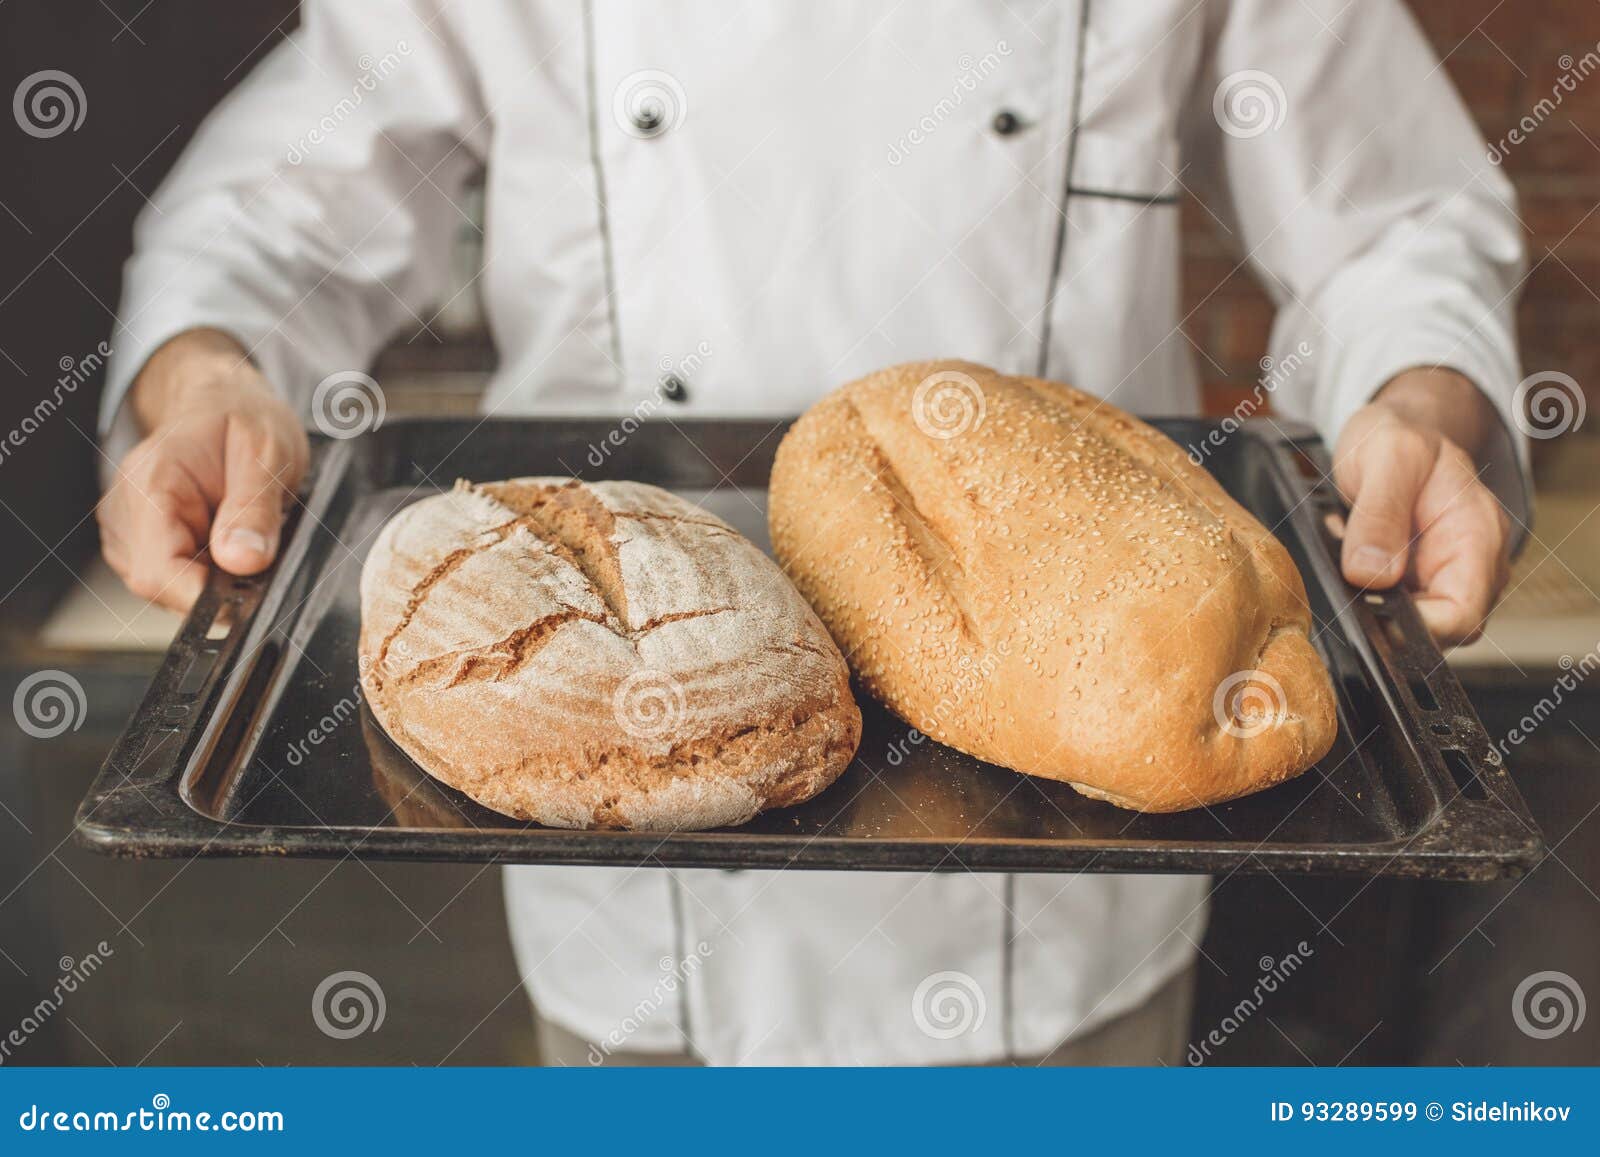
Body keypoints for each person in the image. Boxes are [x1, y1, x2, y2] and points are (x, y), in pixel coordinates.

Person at [98, 1, 1526, 1065]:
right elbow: (277, 212)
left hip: (1073, 913)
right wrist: (210, 373)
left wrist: (1425, 401)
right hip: (632, 917)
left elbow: (1391, 217)